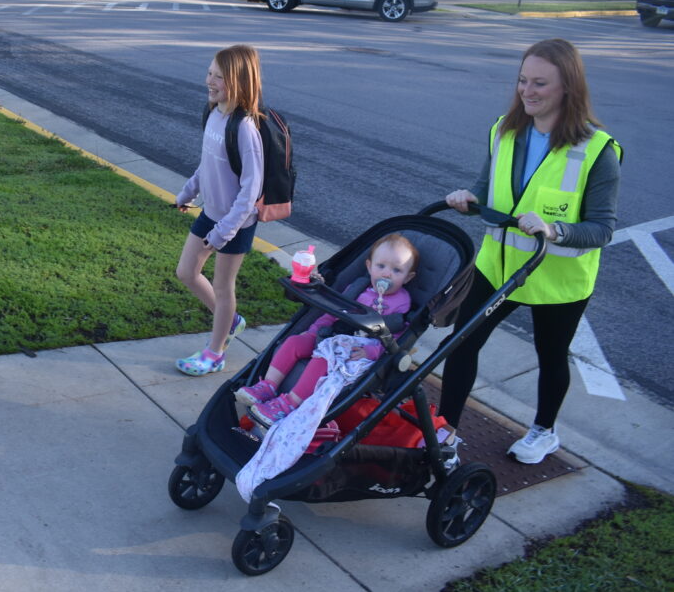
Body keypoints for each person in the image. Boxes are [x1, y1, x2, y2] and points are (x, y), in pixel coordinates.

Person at [440, 38, 621, 464]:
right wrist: (470, 198)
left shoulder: (598, 151)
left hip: (557, 280)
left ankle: (544, 431)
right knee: (461, 344)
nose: (527, 91)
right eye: (523, 80)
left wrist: (554, 230)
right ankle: (444, 437)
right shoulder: (504, 130)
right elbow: (487, 189)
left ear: (568, 87)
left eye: (540, 83)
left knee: (551, 355)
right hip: (498, 266)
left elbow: (602, 229)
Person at [236, 233, 418, 427]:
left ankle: (289, 404)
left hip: (357, 349)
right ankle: (268, 386)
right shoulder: (357, 288)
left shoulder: (402, 302)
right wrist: (314, 330)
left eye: (397, 270)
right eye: (380, 266)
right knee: (294, 342)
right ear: (369, 266)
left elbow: (395, 336)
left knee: (322, 359)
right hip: (333, 334)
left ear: (408, 277)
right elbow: (333, 313)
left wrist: (372, 352)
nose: (387, 274)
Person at [173, 45, 265, 376]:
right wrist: (188, 191)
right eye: (209, 73)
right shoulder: (213, 114)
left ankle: (215, 353)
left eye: (219, 77)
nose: (209, 81)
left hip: (235, 223)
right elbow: (208, 163)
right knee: (186, 272)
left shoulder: (245, 129)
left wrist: (225, 230)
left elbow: (251, 189)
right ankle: (230, 321)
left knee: (223, 287)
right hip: (211, 213)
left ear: (239, 81)